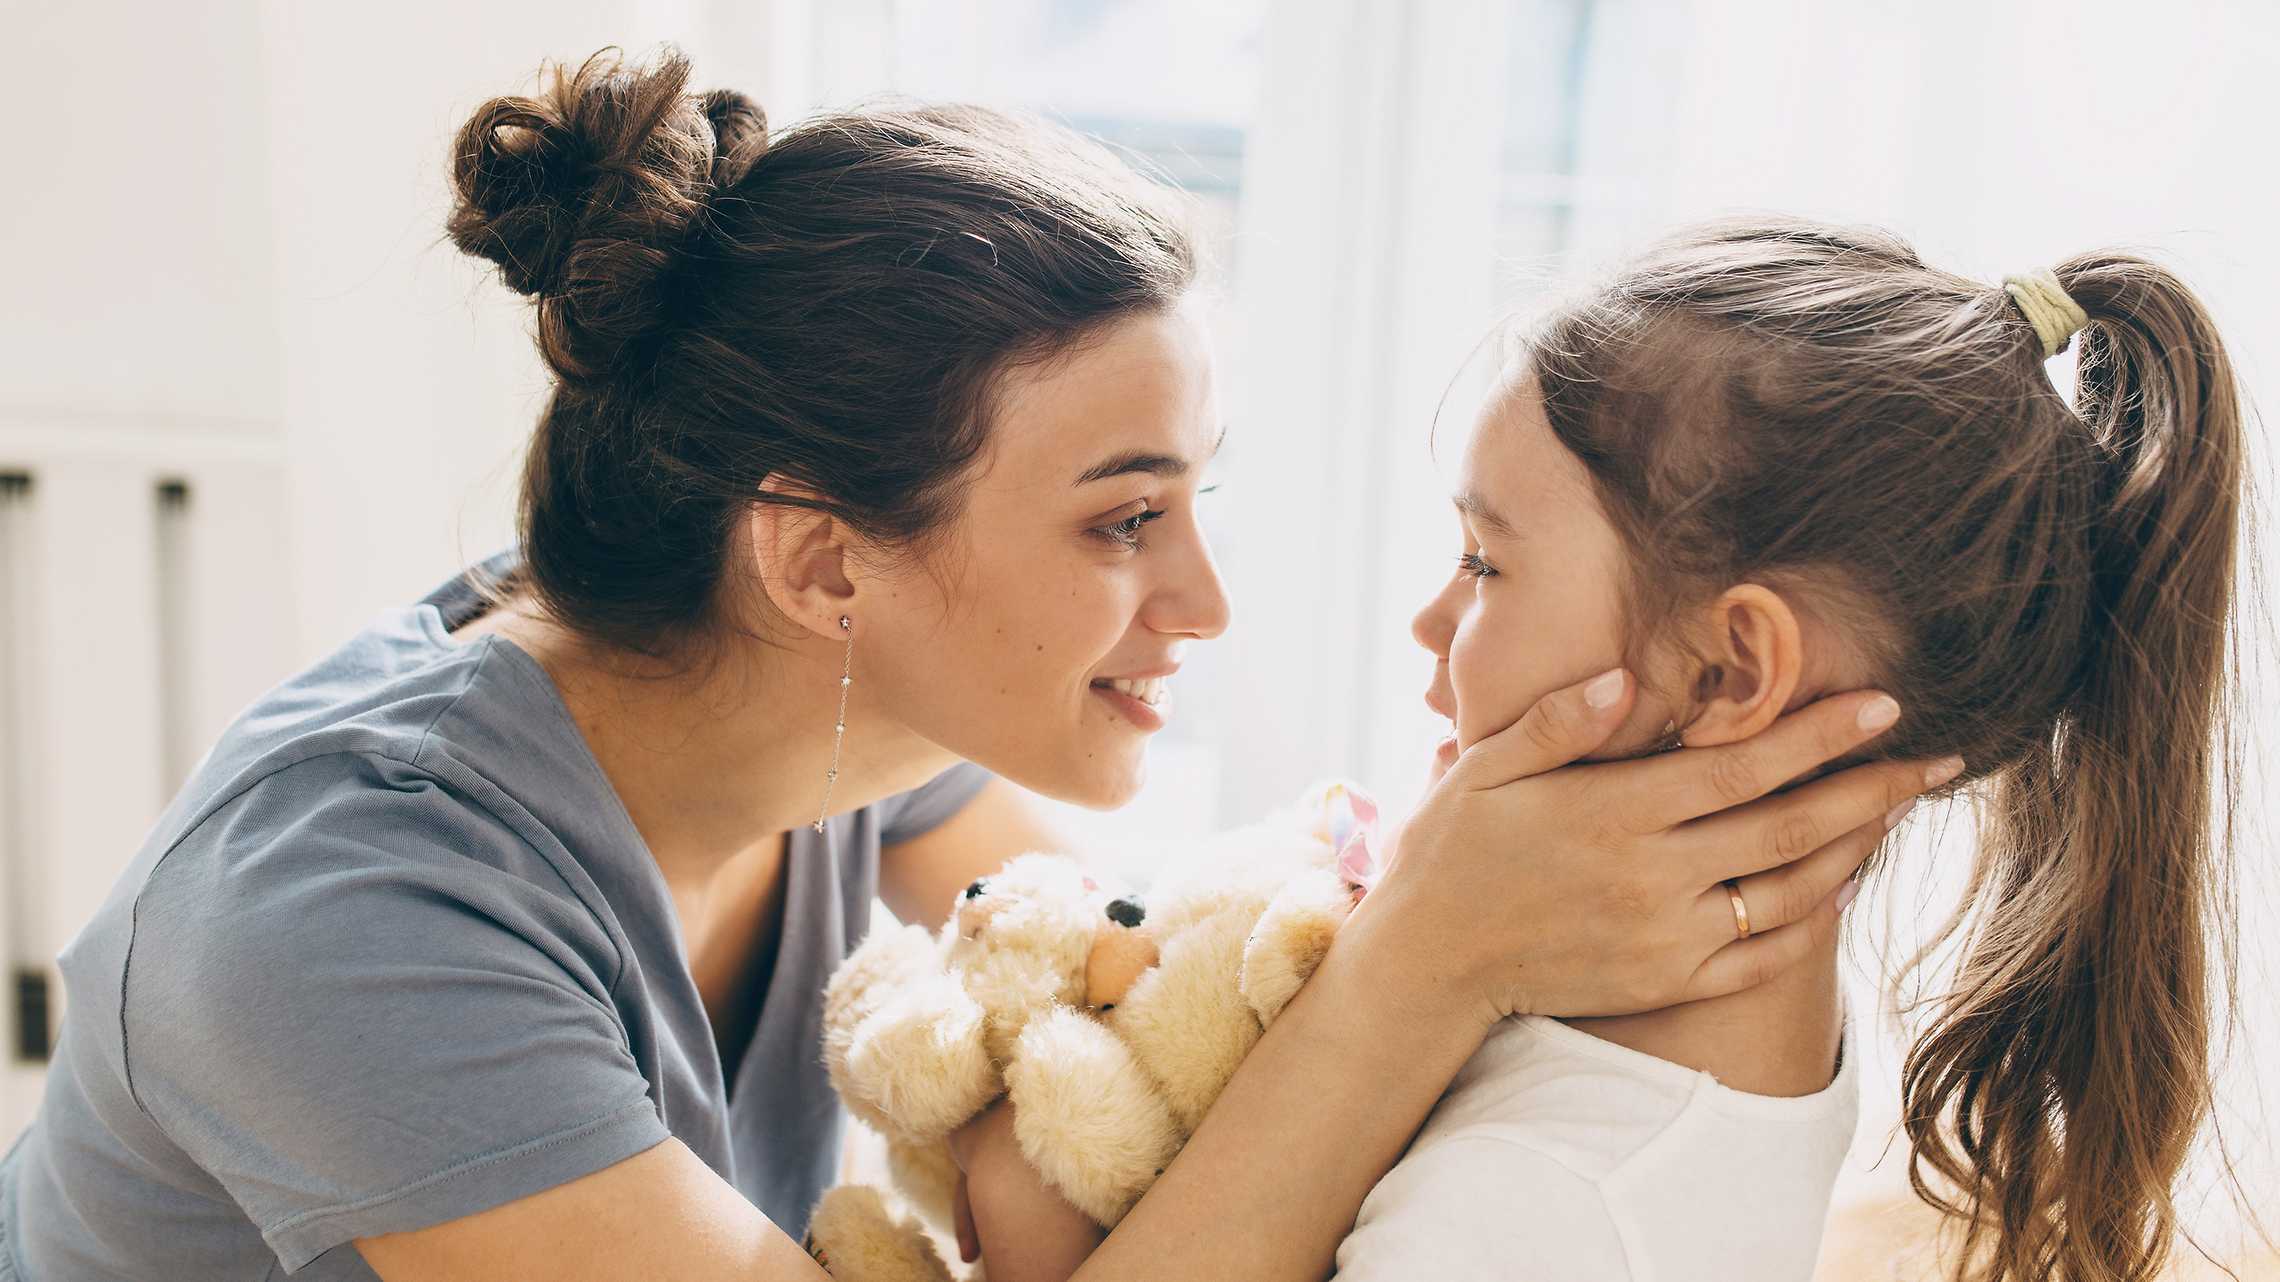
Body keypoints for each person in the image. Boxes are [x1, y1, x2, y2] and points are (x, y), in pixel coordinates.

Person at [0, 53, 1932, 1282]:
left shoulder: (799, 686)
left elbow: (1114, 990)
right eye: (1120, 521)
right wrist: (1429, 957)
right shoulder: (350, 926)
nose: (1205, 600)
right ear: (826, 561)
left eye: (1196, 500)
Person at [1329, 220, 2244, 1282]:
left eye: (1485, 564)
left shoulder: (1528, 1218)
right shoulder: (1729, 1063)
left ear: (1728, 674)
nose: (1430, 621)